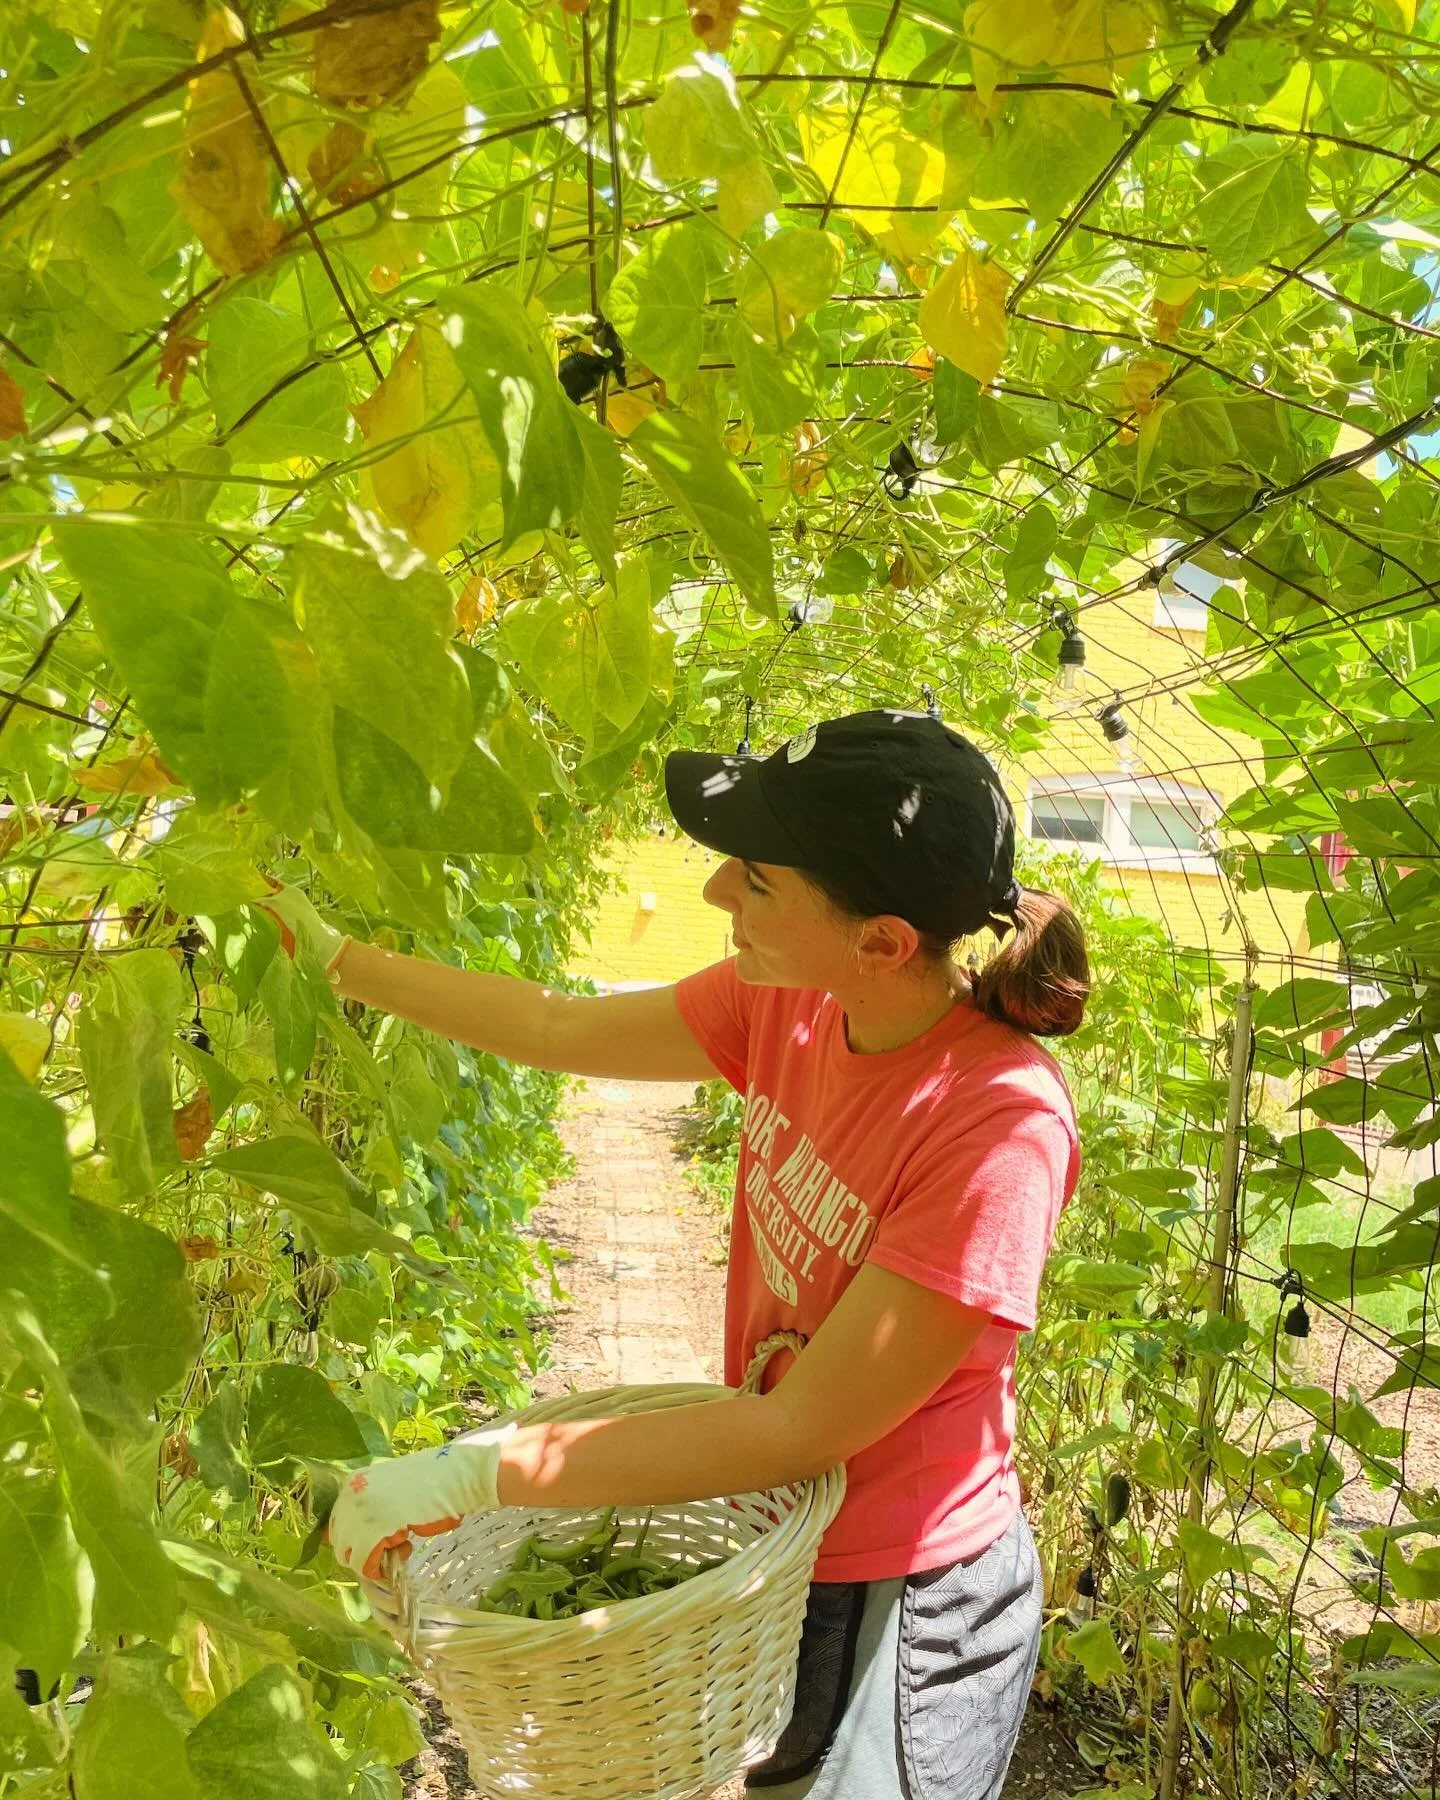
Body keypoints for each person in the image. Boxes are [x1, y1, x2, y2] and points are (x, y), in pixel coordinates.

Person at [264, 708, 1089, 1800]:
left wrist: (475, 1474)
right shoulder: (789, 1006)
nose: (714, 895)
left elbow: (800, 1425)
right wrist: (339, 962)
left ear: (881, 940)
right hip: (781, 1534)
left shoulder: (997, 1129)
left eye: (754, 879)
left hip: (908, 1585)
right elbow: (560, 1028)